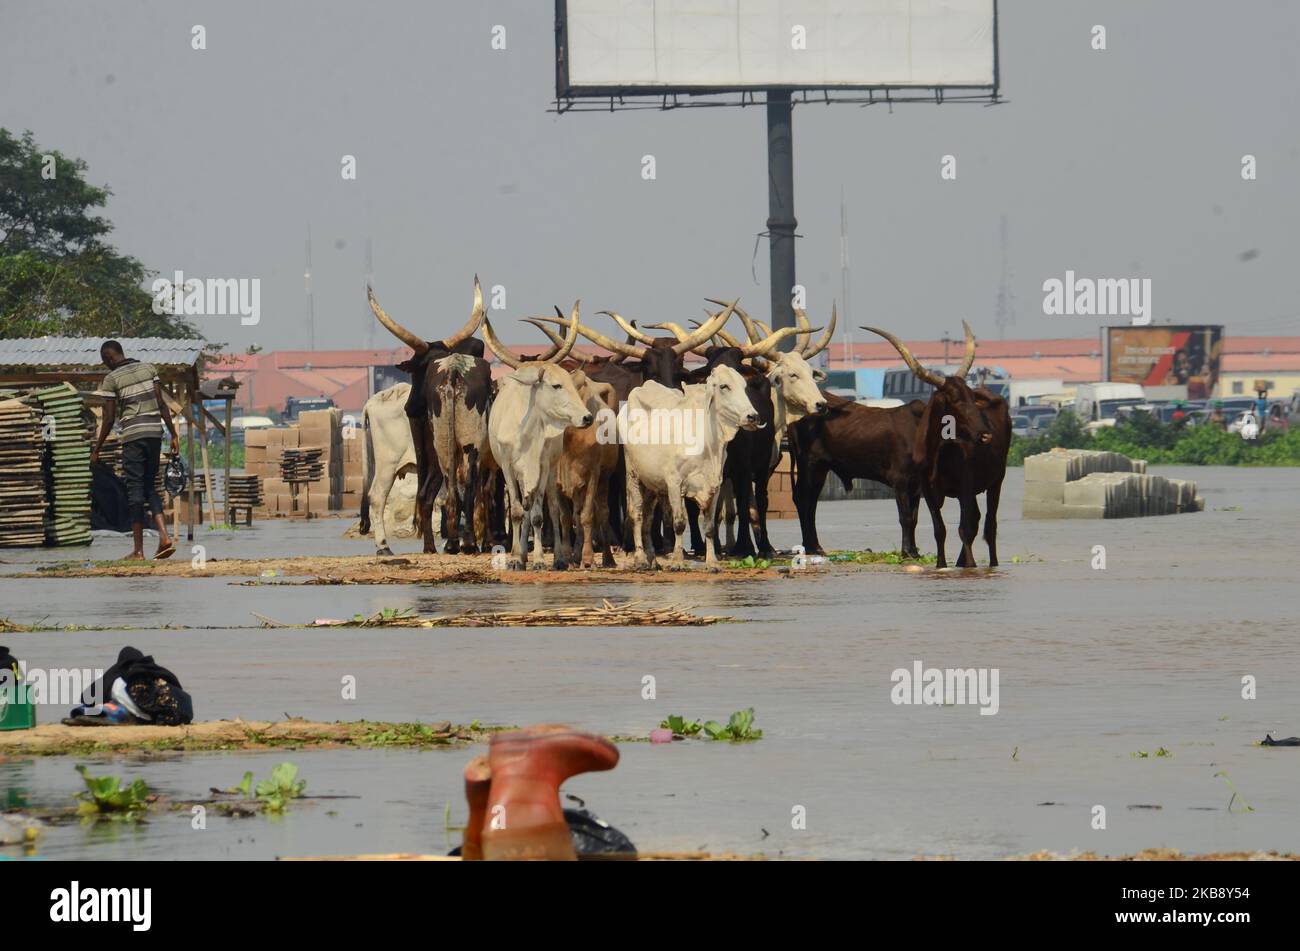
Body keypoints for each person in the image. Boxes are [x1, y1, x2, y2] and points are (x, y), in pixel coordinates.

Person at [90, 341, 180, 559]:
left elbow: (109, 418)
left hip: (133, 438)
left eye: (105, 362)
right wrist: (174, 434)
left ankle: (138, 551)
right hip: (154, 434)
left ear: (109, 358)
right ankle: (165, 538)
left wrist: (97, 448)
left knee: (134, 492)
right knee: (150, 485)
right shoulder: (148, 368)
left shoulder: (111, 379)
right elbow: (161, 404)